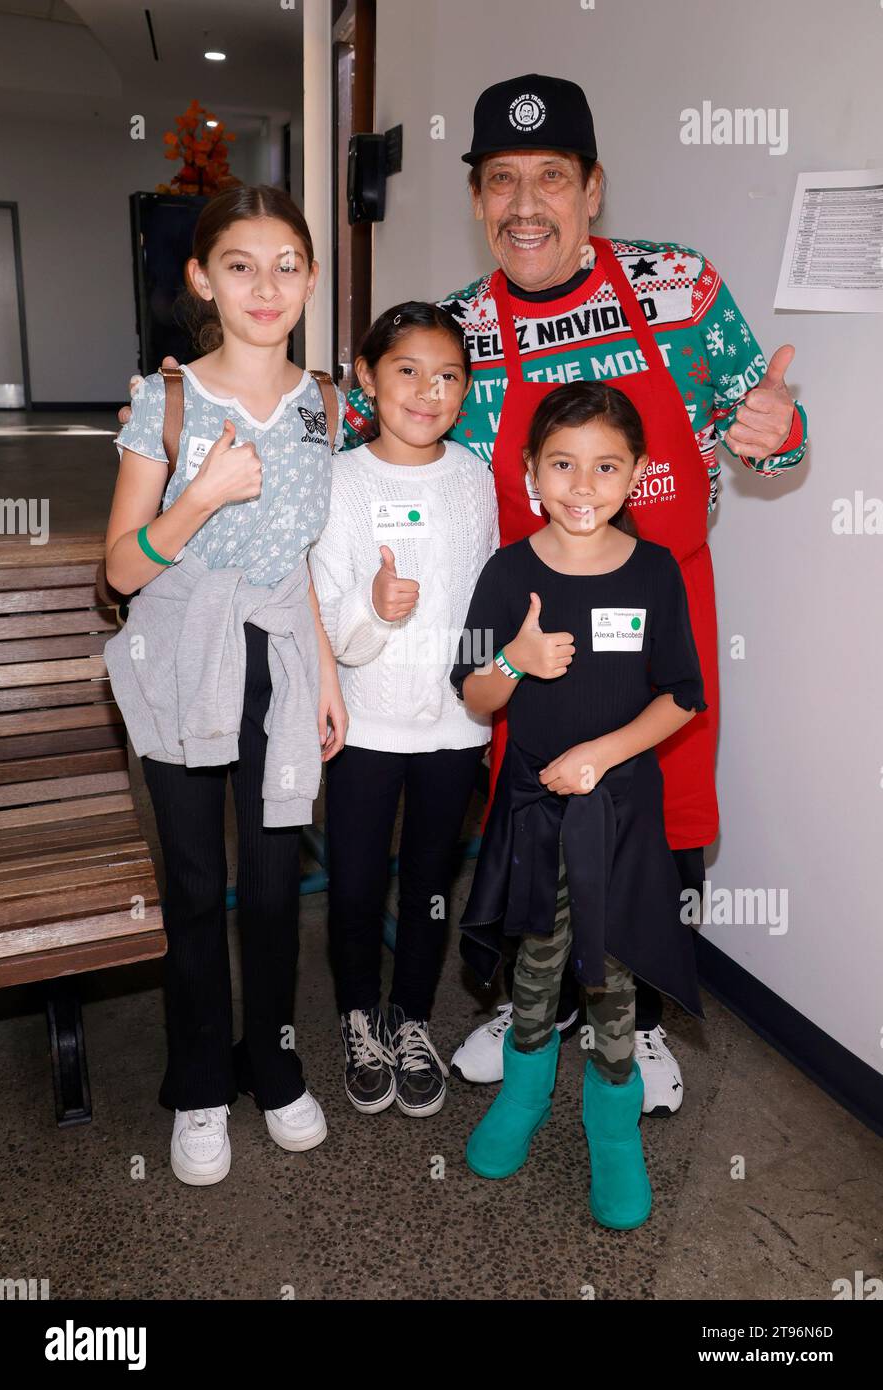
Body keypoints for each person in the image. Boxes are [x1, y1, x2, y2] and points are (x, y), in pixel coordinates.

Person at [344, 73, 808, 1112]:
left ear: (592, 188)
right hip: (533, 636)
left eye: (551, 177)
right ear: (475, 198)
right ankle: (530, 1011)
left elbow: (767, 422)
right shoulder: (457, 336)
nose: (524, 203)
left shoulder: (675, 289)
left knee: (666, 825)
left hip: (659, 624)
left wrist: (783, 429)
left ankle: (638, 1026)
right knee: (529, 828)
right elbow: (360, 437)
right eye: (500, 179)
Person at [103, 185, 348, 1186]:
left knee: (278, 882)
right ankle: (201, 1079)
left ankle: (276, 1064)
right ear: (203, 278)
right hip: (182, 663)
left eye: (287, 264)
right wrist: (200, 494)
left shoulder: (326, 404)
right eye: (239, 265)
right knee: (199, 884)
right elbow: (119, 570)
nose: (266, 286)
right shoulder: (163, 400)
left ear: (310, 279)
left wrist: (328, 675)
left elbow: (304, 561)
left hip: (280, 666)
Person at [449, 381, 706, 1230]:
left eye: (605, 467)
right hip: (531, 808)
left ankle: (614, 1130)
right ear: (529, 472)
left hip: (620, 811)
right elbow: (478, 695)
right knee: (535, 961)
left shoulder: (655, 570)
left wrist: (599, 754)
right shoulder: (507, 571)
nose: (582, 486)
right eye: (562, 465)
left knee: (612, 974)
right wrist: (517, 660)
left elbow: (682, 697)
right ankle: (522, 1101)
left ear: (635, 474)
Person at [309, 302, 498, 1117]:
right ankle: (359, 1014)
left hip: (455, 727)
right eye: (408, 371)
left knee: (429, 881)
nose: (429, 391)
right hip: (364, 725)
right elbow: (326, 620)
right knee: (353, 881)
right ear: (367, 377)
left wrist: (485, 697)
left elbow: (483, 595)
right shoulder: (343, 483)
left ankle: (412, 1016)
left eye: (449, 375)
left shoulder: (474, 476)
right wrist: (375, 606)